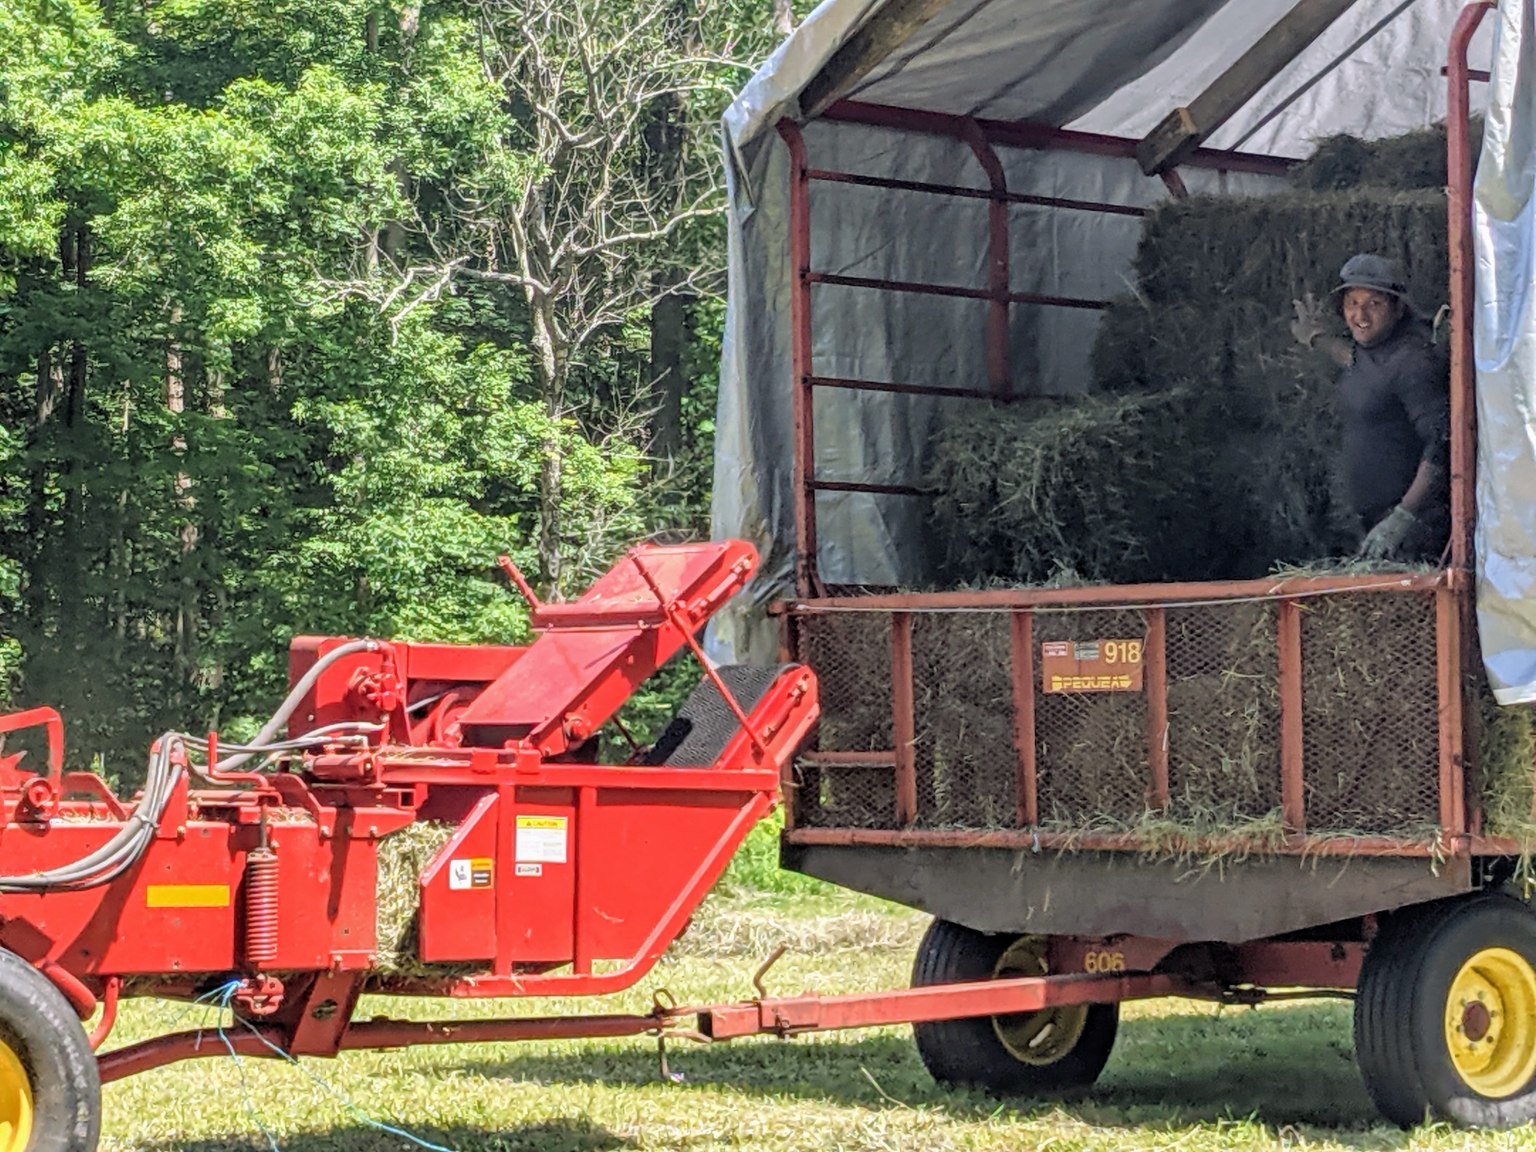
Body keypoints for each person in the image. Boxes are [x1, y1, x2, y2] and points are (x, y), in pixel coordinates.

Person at [1291, 254, 1449, 562]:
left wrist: (1403, 517)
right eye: (1352, 303)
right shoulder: (1375, 349)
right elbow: (1356, 360)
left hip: (1414, 531)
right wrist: (1316, 338)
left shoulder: (1414, 362)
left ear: (1398, 307)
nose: (1360, 315)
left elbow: (1443, 442)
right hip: (1375, 522)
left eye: (1373, 304)